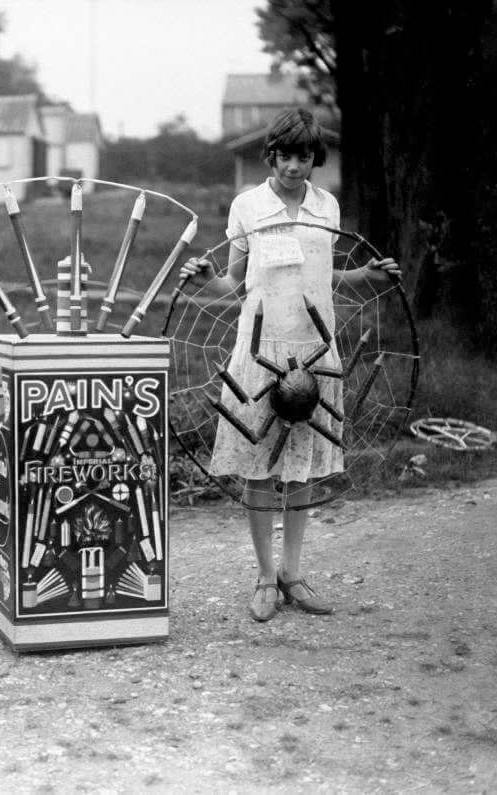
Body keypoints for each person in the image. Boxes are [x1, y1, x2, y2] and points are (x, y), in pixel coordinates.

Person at [180, 108, 399, 622]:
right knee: (259, 469)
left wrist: (362, 273)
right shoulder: (248, 206)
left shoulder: (326, 207)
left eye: (304, 157)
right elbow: (232, 286)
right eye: (285, 156)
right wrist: (203, 277)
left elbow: (319, 277)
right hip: (262, 349)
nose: (294, 166)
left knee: (301, 471)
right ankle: (262, 577)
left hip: (314, 352)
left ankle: (292, 574)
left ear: (314, 160)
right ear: (271, 155)